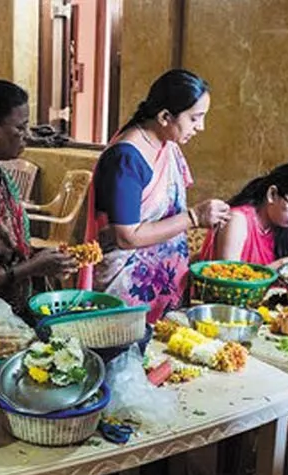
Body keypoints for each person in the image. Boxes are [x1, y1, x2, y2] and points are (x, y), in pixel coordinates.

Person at [84, 69, 231, 322]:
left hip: (166, 283)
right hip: (127, 289)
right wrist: (194, 217)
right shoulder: (127, 158)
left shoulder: (167, 145)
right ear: (164, 117)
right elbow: (127, 237)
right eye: (195, 118)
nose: (201, 127)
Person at [0, 80, 78, 320]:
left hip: (9, 312)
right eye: (20, 128)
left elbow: (5, 244)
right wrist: (30, 268)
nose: (27, 136)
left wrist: (44, 258)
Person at [197, 161, 288, 269]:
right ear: (272, 194)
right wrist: (283, 263)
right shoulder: (237, 220)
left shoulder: (280, 226)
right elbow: (229, 280)